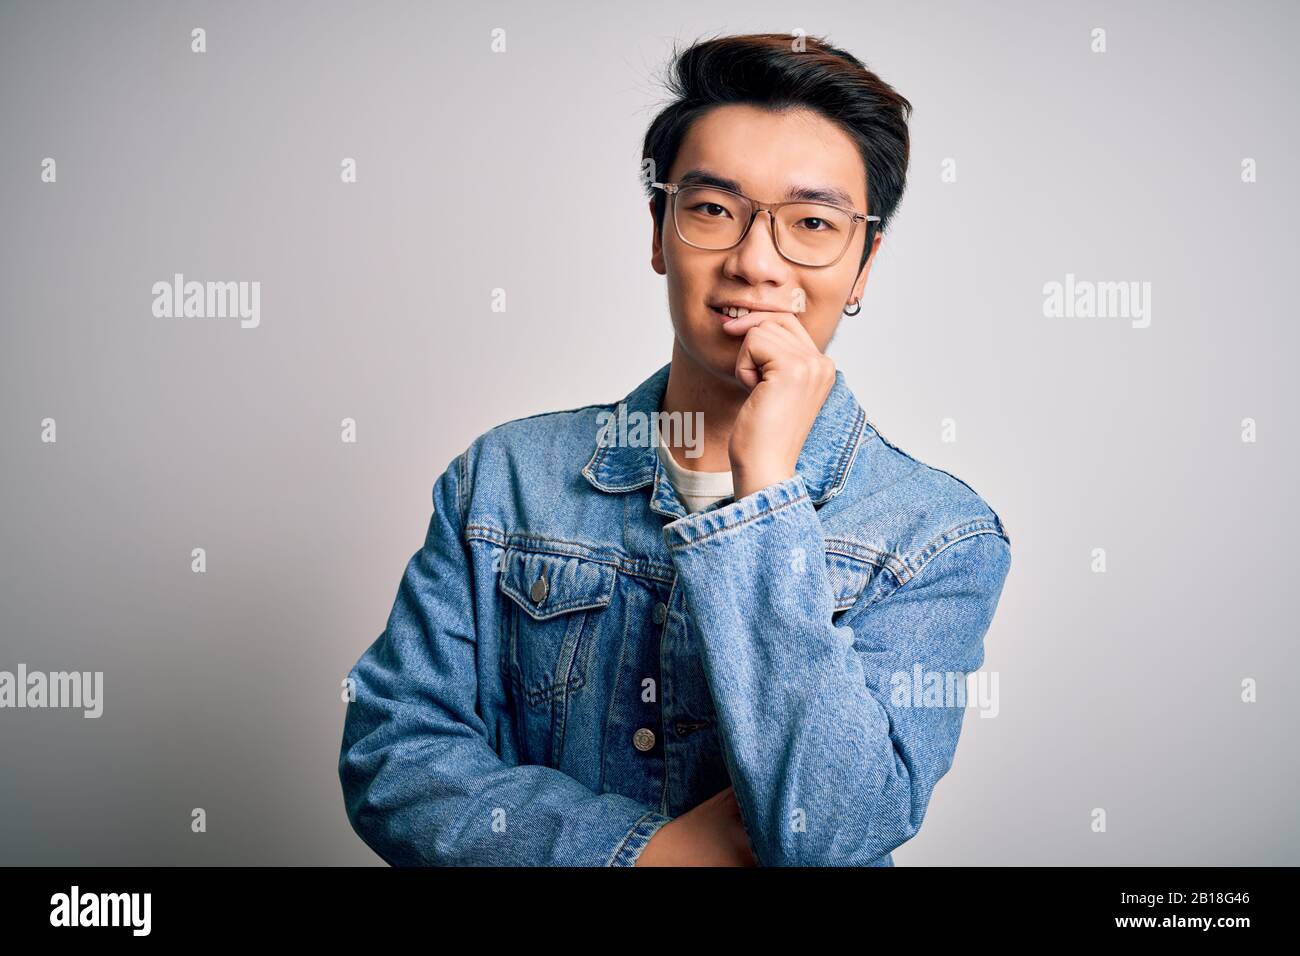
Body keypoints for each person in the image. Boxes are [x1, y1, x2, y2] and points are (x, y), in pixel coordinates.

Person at [338, 31, 1012, 867]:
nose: (756, 262)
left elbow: (836, 832)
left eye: (811, 223)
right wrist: (649, 855)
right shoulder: (504, 481)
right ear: (660, 231)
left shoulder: (937, 536)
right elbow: (394, 761)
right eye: (713, 210)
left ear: (865, 264)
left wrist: (764, 495)